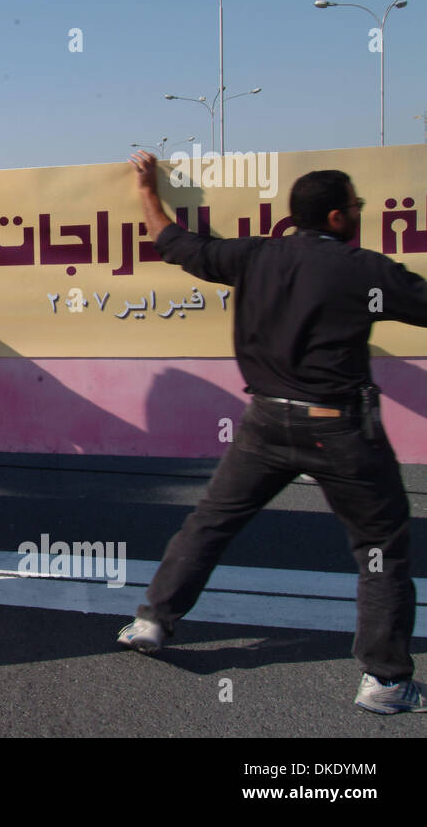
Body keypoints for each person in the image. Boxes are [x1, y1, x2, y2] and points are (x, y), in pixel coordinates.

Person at [117, 152, 427, 714]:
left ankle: (152, 620)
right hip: (340, 427)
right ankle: (385, 682)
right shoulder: (366, 270)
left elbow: (174, 244)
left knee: (212, 521)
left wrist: (145, 188)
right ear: (337, 217)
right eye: (356, 206)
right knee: (382, 549)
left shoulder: (253, 256)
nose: (359, 213)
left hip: (266, 420)